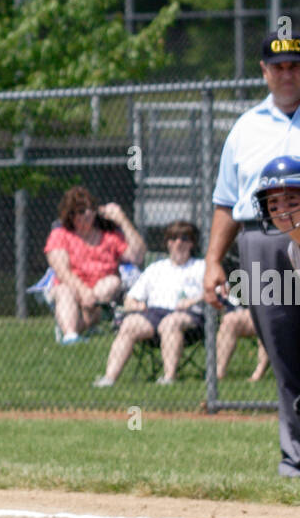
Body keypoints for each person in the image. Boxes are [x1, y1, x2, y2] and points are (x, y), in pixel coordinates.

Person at [204, 30, 300, 474]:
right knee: (283, 353)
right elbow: (226, 203)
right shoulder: (245, 129)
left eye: (294, 65)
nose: (287, 73)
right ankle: (296, 459)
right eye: (277, 66)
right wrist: (212, 261)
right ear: (264, 71)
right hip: (261, 244)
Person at [93, 220, 205, 387]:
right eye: (173, 238)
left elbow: (218, 291)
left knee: (170, 323)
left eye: (184, 238)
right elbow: (130, 298)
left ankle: (169, 377)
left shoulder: (201, 266)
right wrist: (136, 306)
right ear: (168, 243)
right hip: (154, 313)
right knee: (129, 324)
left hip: (189, 315)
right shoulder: (156, 268)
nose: (178, 243)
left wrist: (193, 301)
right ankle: (109, 378)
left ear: (192, 243)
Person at [44, 186, 146, 342]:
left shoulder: (110, 236)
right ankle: (71, 335)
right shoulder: (60, 235)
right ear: (69, 215)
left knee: (112, 282)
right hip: (71, 286)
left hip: (101, 292)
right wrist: (84, 291)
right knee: (64, 290)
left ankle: (84, 322)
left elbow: (138, 256)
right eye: (77, 211)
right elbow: (62, 271)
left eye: (87, 210)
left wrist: (123, 220)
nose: (84, 215)